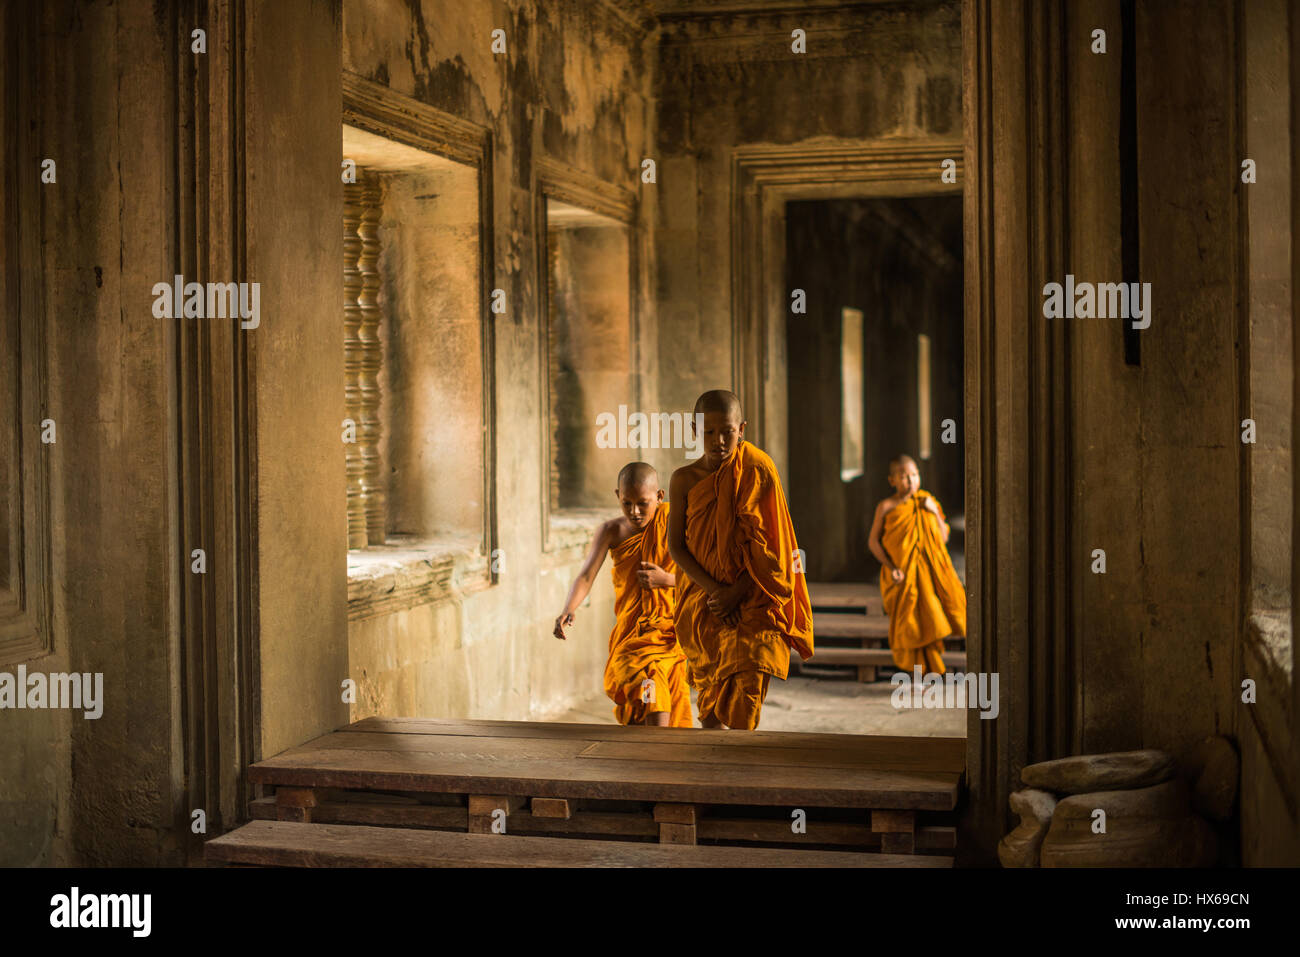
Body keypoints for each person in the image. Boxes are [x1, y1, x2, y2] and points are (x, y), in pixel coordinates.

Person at [667, 390, 813, 730]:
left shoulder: (757, 468)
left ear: (742, 429)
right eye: (708, 432)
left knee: (746, 692)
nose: (718, 440)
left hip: (752, 600)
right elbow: (676, 547)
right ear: (694, 430)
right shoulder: (683, 480)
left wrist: (735, 592)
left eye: (727, 431)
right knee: (712, 705)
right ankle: (716, 777)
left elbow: (774, 546)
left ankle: (741, 773)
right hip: (706, 603)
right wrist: (717, 592)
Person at [553, 462, 692, 727]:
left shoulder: (678, 524)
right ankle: (657, 753)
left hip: (668, 632)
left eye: (643, 503)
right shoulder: (611, 531)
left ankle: (658, 754)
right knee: (644, 684)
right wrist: (568, 609)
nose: (635, 512)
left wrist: (667, 579)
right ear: (618, 495)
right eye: (627, 503)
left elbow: (704, 576)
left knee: (658, 686)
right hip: (631, 635)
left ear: (660, 497)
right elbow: (586, 575)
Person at [867, 454, 966, 674]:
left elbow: (943, 537)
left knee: (929, 618)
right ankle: (916, 676)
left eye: (914, 475)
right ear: (892, 480)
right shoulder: (886, 507)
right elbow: (873, 542)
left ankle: (930, 672)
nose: (910, 481)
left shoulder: (927, 501)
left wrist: (934, 513)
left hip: (926, 575)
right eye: (903, 476)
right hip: (901, 575)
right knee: (909, 625)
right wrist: (891, 568)